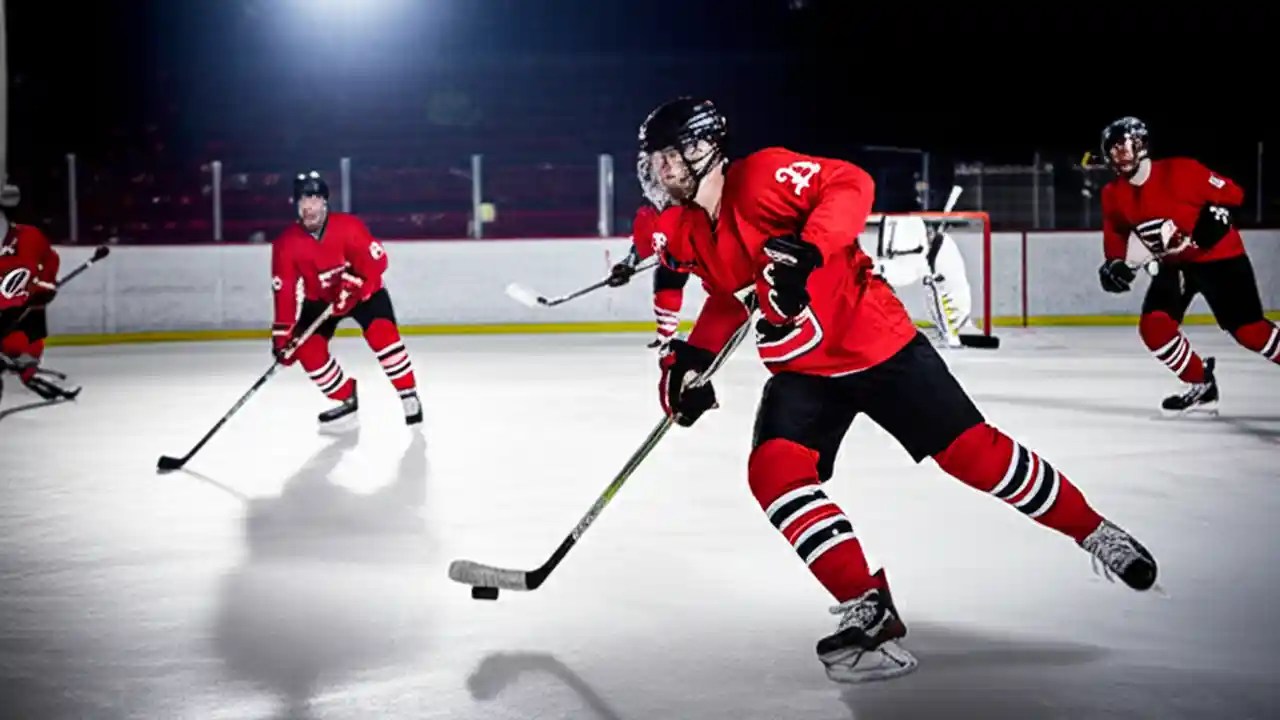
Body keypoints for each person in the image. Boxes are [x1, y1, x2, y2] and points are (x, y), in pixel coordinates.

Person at [636, 97, 1158, 684]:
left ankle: (1095, 530)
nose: (660, 171)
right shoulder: (688, 228)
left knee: (976, 456)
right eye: (655, 161)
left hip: (876, 346)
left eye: (669, 157)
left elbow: (849, 184)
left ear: (704, 150)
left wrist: (811, 249)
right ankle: (869, 605)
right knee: (774, 473)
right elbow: (728, 299)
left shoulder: (760, 176)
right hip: (803, 371)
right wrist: (692, 365)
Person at [1097, 116, 1277, 415]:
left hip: (1220, 258)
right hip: (1175, 264)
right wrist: (1114, 262)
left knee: (1251, 333)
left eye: (1126, 146)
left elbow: (1236, 194)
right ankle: (1201, 384)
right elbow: (1116, 230)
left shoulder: (1182, 171)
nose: (1121, 155)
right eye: (1114, 149)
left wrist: (1218, 215)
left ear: (1142, 145)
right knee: (1154, 328)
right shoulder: (1113, 194)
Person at [270, 171, 422, 428]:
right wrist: (282, 337)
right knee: (308, 351)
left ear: (325, 202)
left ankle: (408, 393)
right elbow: (284, 291)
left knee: (383, 335)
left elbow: (379, 261)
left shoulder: (349, 226)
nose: (309, 206)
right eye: (303, 200)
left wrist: (357, 284)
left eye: (314, 199)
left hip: (364, 295)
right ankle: (346, 395)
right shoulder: (285, 244)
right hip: (320, 301)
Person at [0, 186, 78, 401]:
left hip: (23, 310)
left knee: (25, 345)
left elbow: (50, 259)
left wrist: (46, 283)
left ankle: (27, 370)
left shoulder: (30, 236)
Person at [872, 214, 985, 348]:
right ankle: (954, 330)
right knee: (937, 280)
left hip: (900, 257)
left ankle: (956, 328)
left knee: (940, 280)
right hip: (905, 257)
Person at [606, 202, 691, 349]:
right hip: (686, 258)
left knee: (718, 285)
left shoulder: (690, 207)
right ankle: (666, 334)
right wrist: (628, 265)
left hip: (708, 253)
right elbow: (644, 244)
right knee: (666, 277)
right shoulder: (649, 215)